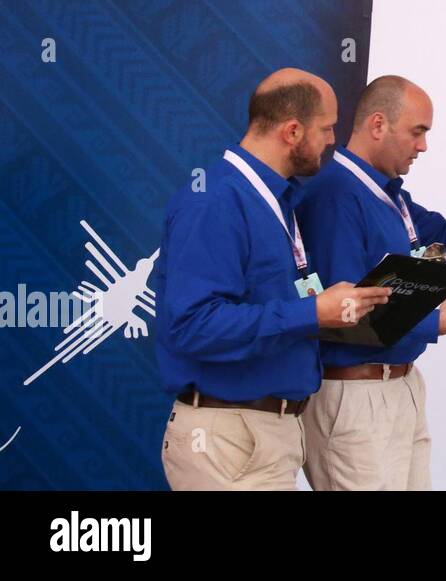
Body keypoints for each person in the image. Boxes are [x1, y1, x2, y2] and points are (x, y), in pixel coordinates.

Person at [152, 69, 392, 490]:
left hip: (268, 434)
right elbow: (191, 326)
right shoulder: (216, 200)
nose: (333, 140)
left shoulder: (277, 200)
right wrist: (313, 313)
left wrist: (323, 309)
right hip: (228, 439)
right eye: (326, 128)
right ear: (292, 131)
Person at [296, 74, 446, 490]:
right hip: (354, 393)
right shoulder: (334, 196)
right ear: (378, 125)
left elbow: (442, 240)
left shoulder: (389, 195)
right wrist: (436, 322)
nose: (424, 146)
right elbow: (346, 315)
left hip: (399, 386)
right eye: (417, 132)